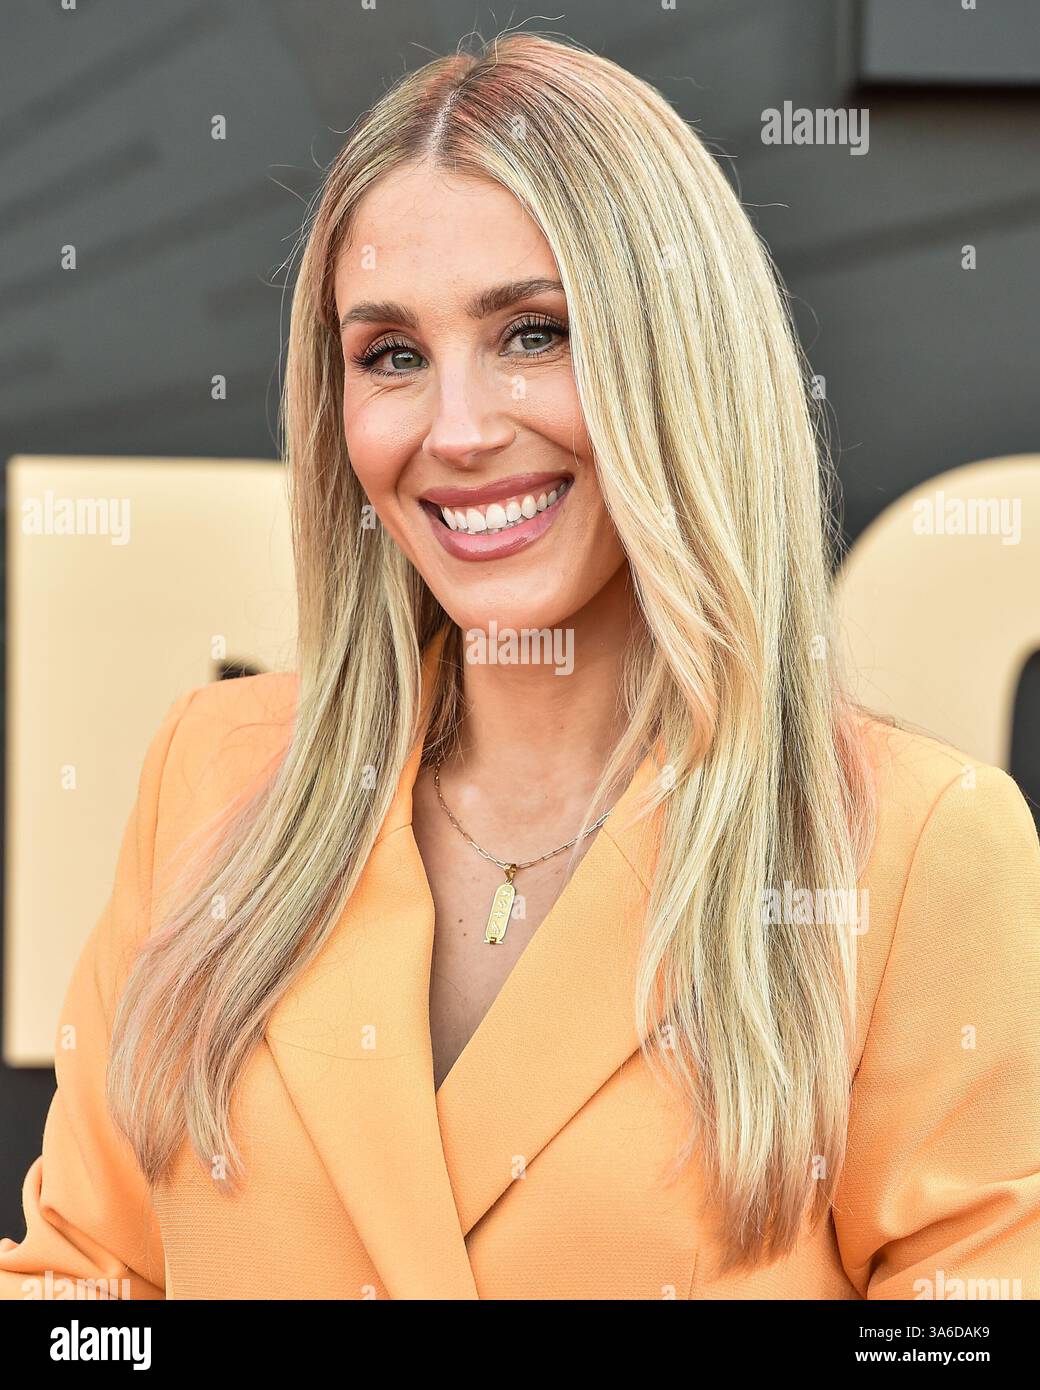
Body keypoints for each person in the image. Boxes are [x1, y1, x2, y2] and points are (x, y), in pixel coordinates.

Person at [2, 31, 1038, 1301]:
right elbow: (79, 1294)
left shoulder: (919, 847)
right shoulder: (211, 776)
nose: (459, 430)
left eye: (533, 334)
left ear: (681, 359)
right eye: (392, 355)